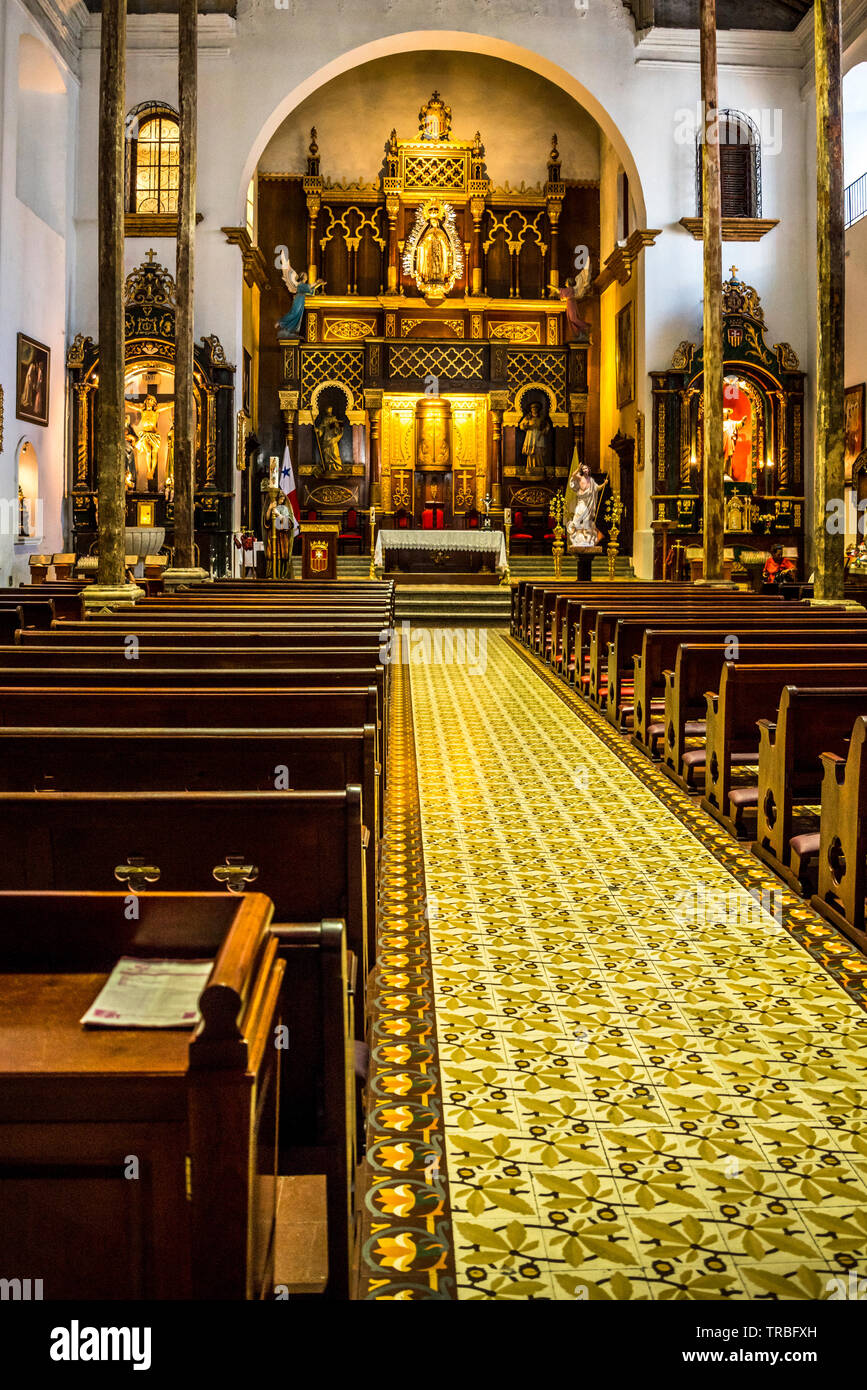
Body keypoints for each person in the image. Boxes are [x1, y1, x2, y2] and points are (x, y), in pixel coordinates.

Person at [567, 463, 601, 549]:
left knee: (587, 520)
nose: (585, 470)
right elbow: (573, 475)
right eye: (584, 469)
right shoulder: (580, 477)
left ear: (589, 470)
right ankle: (576, 534)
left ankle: (586, 538)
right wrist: (578, 468)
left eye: (586, 468)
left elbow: (597, 488)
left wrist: (604, 484)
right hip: (581, 501)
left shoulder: (591, 480)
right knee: (578, 516)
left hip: (589, 502)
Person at [518, 401, 550, 471]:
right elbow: (521, 425)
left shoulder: (541, 418)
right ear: (531, 409)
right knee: (530, 452)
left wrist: (544, 431)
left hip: (539, 435)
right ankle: (530, 466)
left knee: (538, 452)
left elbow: (547, 426)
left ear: (538, 409)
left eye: (535, 408)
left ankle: (539, 467)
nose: (534, 409)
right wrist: (525, 426)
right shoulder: (527, 417)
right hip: (530, 435)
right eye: (532, 408)